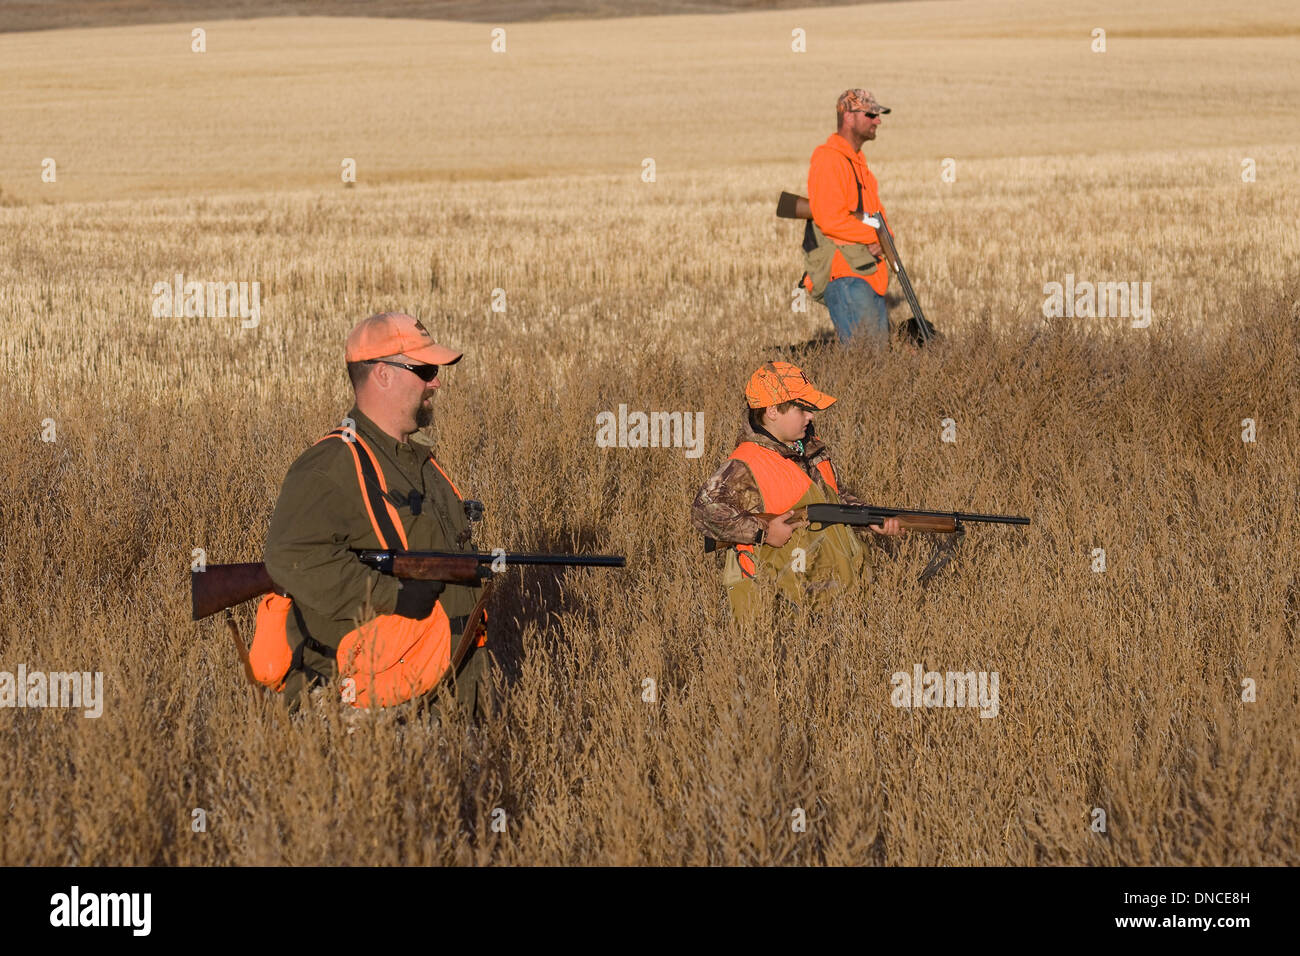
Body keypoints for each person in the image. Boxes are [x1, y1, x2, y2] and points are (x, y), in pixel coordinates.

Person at [260, 312, 488, 715]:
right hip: (372, 712)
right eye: (425, 369)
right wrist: (392, 595)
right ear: (383, 374)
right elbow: (293, 557)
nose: (435, 381)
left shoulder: (419, 463)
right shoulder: (331, 465)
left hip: (441, 694)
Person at [691, 361, 902, 618]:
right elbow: (704, 510)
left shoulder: (810, 450)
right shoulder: (746, 463)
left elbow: (833, 499)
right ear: (772, 411)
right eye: (801, 409)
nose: (810, 416)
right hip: (779, 605)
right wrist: (764, 531)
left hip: (825, 594)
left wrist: (868, 518)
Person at [802, 88, 895, 346]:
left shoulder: (857, 163)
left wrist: (884, 238)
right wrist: (876, 235)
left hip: (865, 273)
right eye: (871, 114)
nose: (878, 120)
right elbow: (830, 219)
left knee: (876, 363)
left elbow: (876, 216)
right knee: (865, 365)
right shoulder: (829, 159)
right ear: (849, 117)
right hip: (846, 276)